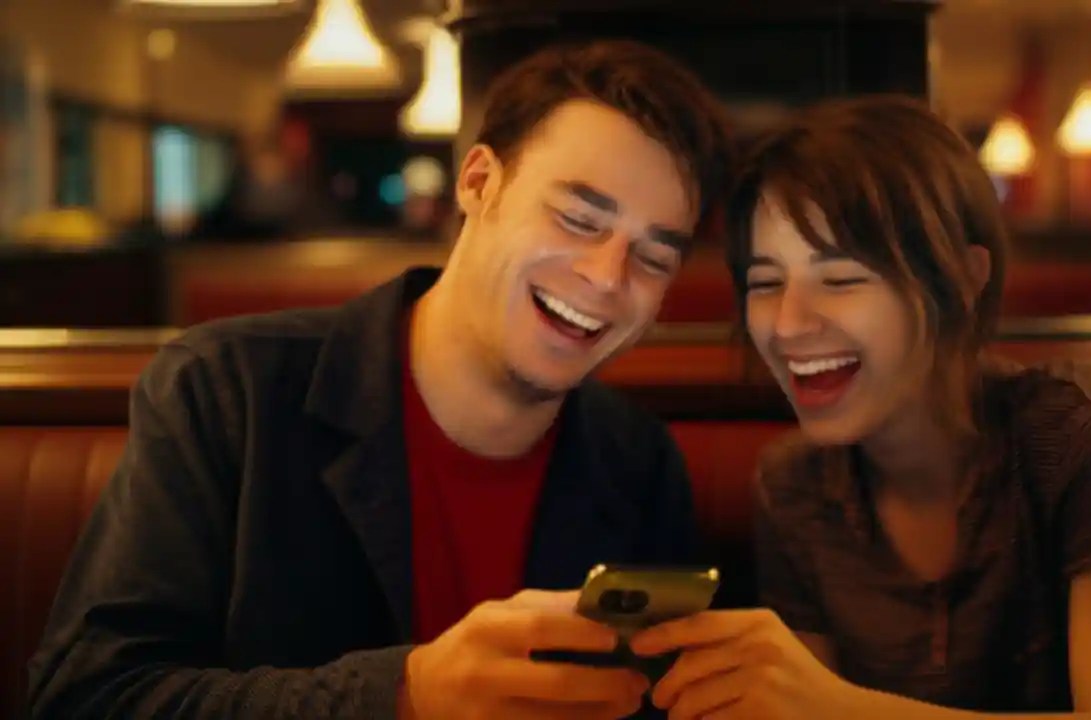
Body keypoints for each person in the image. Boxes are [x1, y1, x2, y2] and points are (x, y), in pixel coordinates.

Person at [28, 40, 733, 720]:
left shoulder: (637, 462)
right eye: (579, 219)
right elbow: (87, 695)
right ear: (479, 183)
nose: (608, 278)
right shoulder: (226, 393)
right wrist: (404, 695)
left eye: (653, 257)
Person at [628, 97, 1091, 720]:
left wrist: (837, 706)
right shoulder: (797, 487)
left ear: (964, 282)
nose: (788, 323)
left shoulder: (1080, 429)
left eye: (841, 279)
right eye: (764, 283)